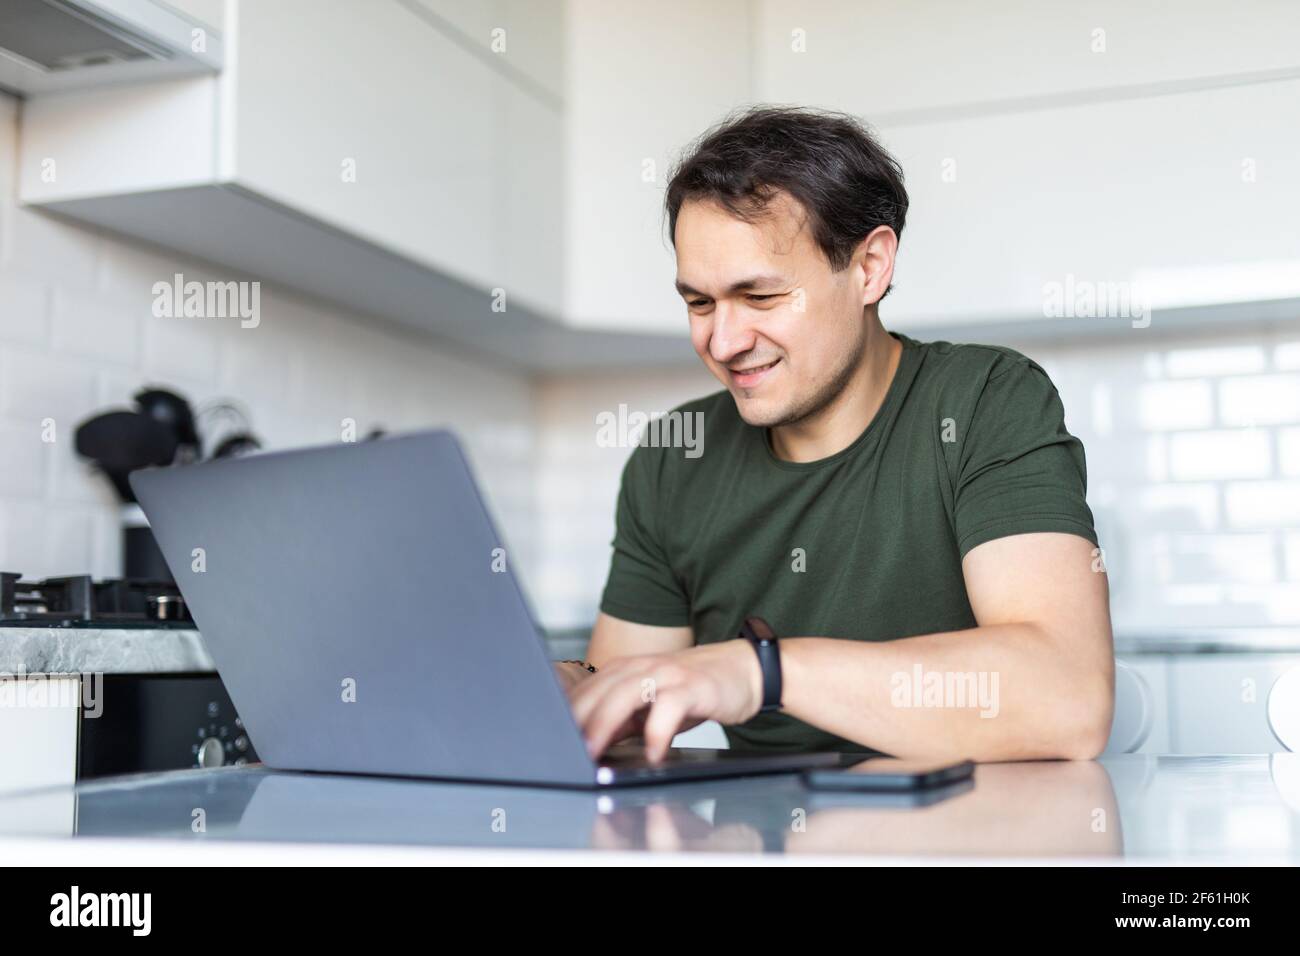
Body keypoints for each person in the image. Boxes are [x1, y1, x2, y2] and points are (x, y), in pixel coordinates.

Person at [557, 106, 1113, 764]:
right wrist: (567, 688)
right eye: (698, 303)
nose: (724, 341)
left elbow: (1067, 698)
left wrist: (760, 672)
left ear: (870, 267)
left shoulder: (988, 400)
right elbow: (621, 704)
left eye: (760, 297)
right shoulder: (675, 456)